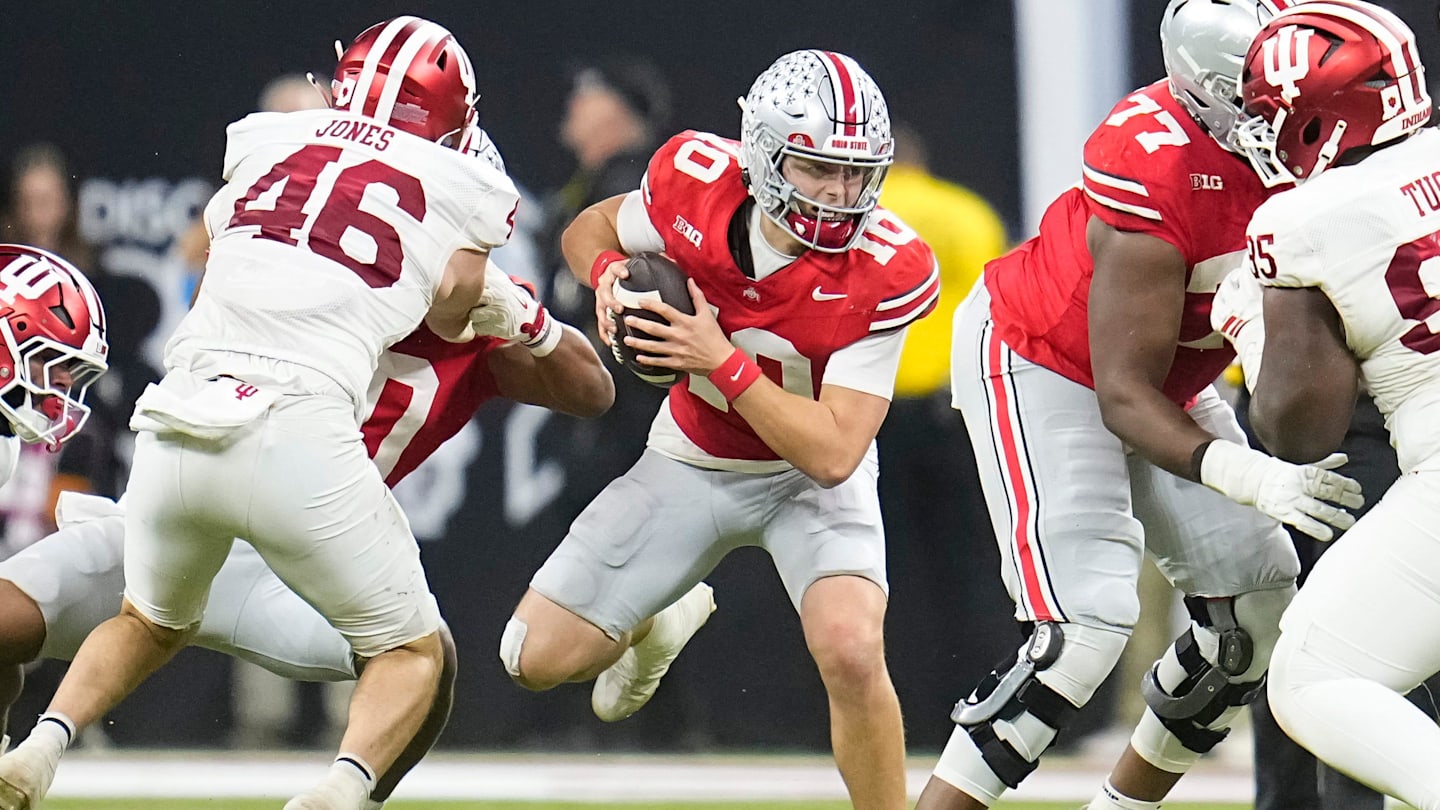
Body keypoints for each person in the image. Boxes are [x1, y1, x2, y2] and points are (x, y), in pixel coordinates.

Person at [0, 16, 520, 810]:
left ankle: (42, 745)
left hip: (182, 416)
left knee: (147, 618)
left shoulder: (268, 138)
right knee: (418, 654)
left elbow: (216, 238)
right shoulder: (466, 180)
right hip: (298, 427)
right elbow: (452, 310)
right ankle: (335, 796)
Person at [920, 2, 1367, 809]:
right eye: (1261, 93)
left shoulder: (1317, 144)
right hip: (1045, 358)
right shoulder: (1157, 160)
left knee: (1259, 615)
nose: (1286, 113)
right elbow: (1123, 392)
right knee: (1082, 636)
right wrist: (1250, 476)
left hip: (1170, 380)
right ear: (1210, 93)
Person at [0, 260, 611, 806]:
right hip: (188, 519)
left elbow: (591, 390)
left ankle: (348, 794)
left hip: (294, 566)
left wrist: (532, 321)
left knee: (426, 661)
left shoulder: (475, 321)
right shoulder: (310, 265)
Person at [500, 50, 939, 809]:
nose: (841, 194)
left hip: (807, 478)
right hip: (695, 457)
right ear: (766, 157)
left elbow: (835, 454)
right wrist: (605, 271)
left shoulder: (887, 266)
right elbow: (591, 227)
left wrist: (721, 358)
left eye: (857, 173)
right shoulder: (691, 181)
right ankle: (657, 623)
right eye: (817, 170)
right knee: (532, 658)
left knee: (852, 648)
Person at [1213, 3, 1440, 807]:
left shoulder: (1306, 218)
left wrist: (1247, 325)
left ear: (1316, 121)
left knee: (1315, 675)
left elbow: (1298, 430)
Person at [873, 125, 1011, 744]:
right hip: (954, 408)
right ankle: (989, 699)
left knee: (886, 571)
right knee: (974, 564)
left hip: (872, 412)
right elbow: (996, 305)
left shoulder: (862, 217)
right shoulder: (965, 212)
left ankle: (903, 712)